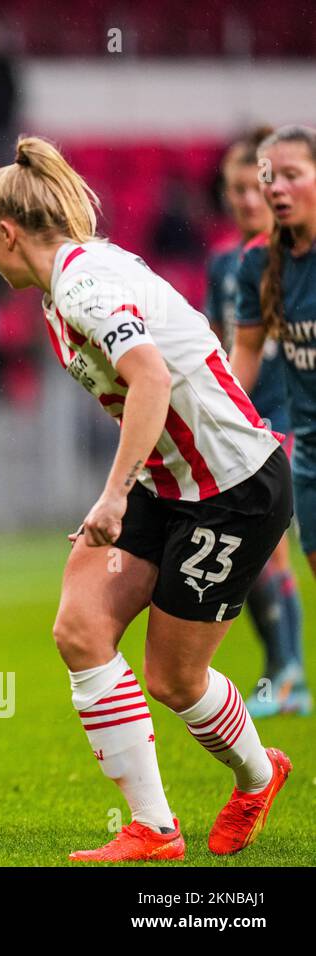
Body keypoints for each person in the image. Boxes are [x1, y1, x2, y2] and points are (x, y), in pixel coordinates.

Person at [0, 136, 292, 862]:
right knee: (80, 628)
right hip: (166, 482)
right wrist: (127, 488)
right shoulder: (70, 284)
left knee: (174, 679)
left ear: (8, 232)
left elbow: (149, 378)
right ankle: (153, 827)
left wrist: (112, 494)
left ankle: (256, 774)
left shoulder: (86, 284)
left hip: (230, 492)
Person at [205, 127, 308, 718]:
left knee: (272, 550)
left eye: (254, 186)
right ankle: (283, 671)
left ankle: (288, 675)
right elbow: (212, 342)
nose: (246, 199)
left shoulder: (292, 256)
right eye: (235, 188)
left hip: (285, 416)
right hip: (236, 418)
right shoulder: (225, 261)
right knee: (252, 550)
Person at [230, 124, 316, 718]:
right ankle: (287, 674)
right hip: (305, 454)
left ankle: (287, 676)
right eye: (269, 178)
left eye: (291, 175)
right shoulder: (258, 264)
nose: (274, 189)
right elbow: (243, 362)